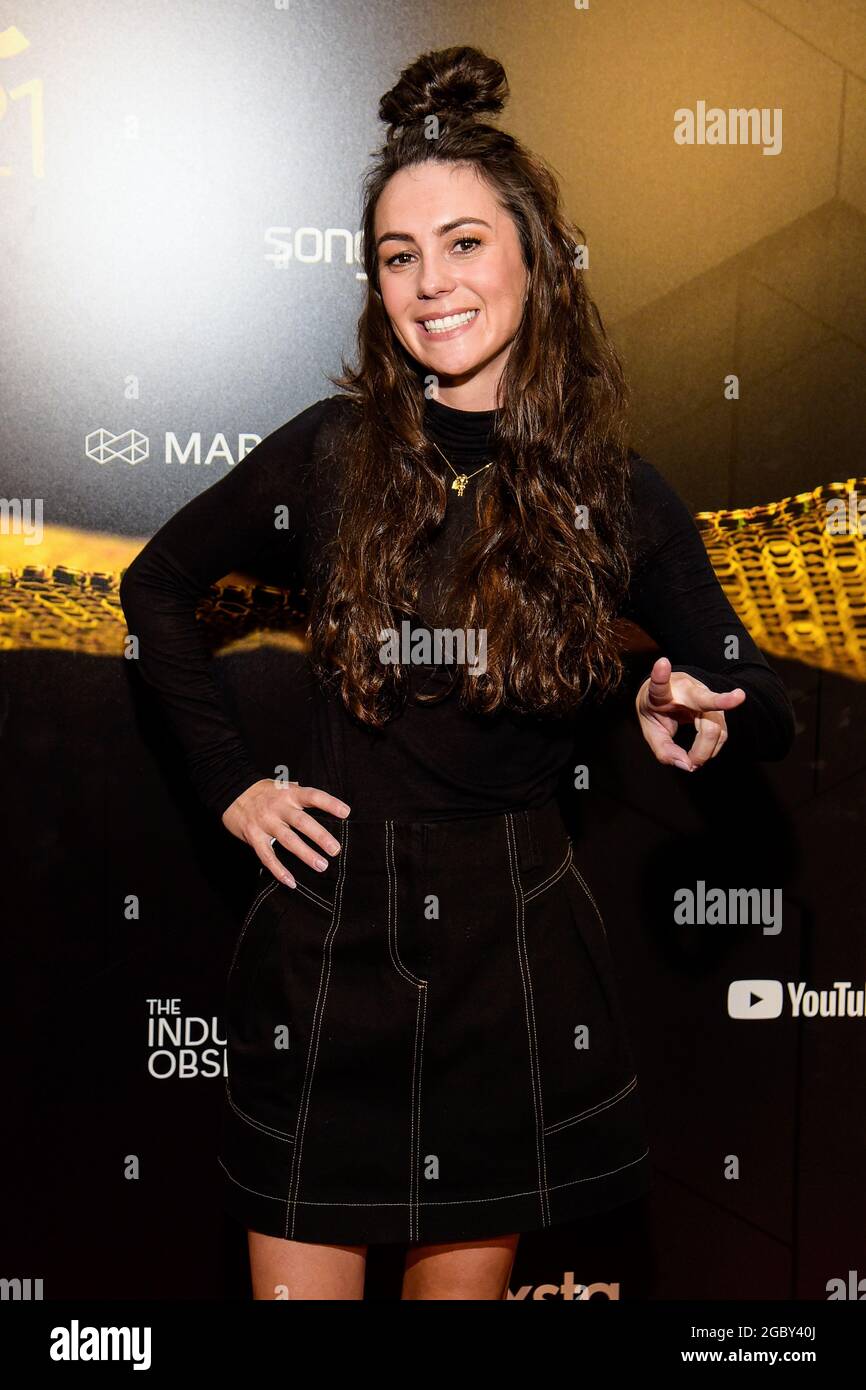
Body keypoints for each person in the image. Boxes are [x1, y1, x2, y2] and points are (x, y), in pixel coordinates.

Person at [118, 44, 796, 1301]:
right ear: (375, 285)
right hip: (327, 947)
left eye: (465, 243)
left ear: (535, 258)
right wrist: (230, 784)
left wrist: (683, 693)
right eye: (397, 254)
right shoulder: (329, 456)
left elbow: (760, 701)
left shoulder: (615, 494)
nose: (431, 282)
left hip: (509, 957)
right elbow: (152, 587)